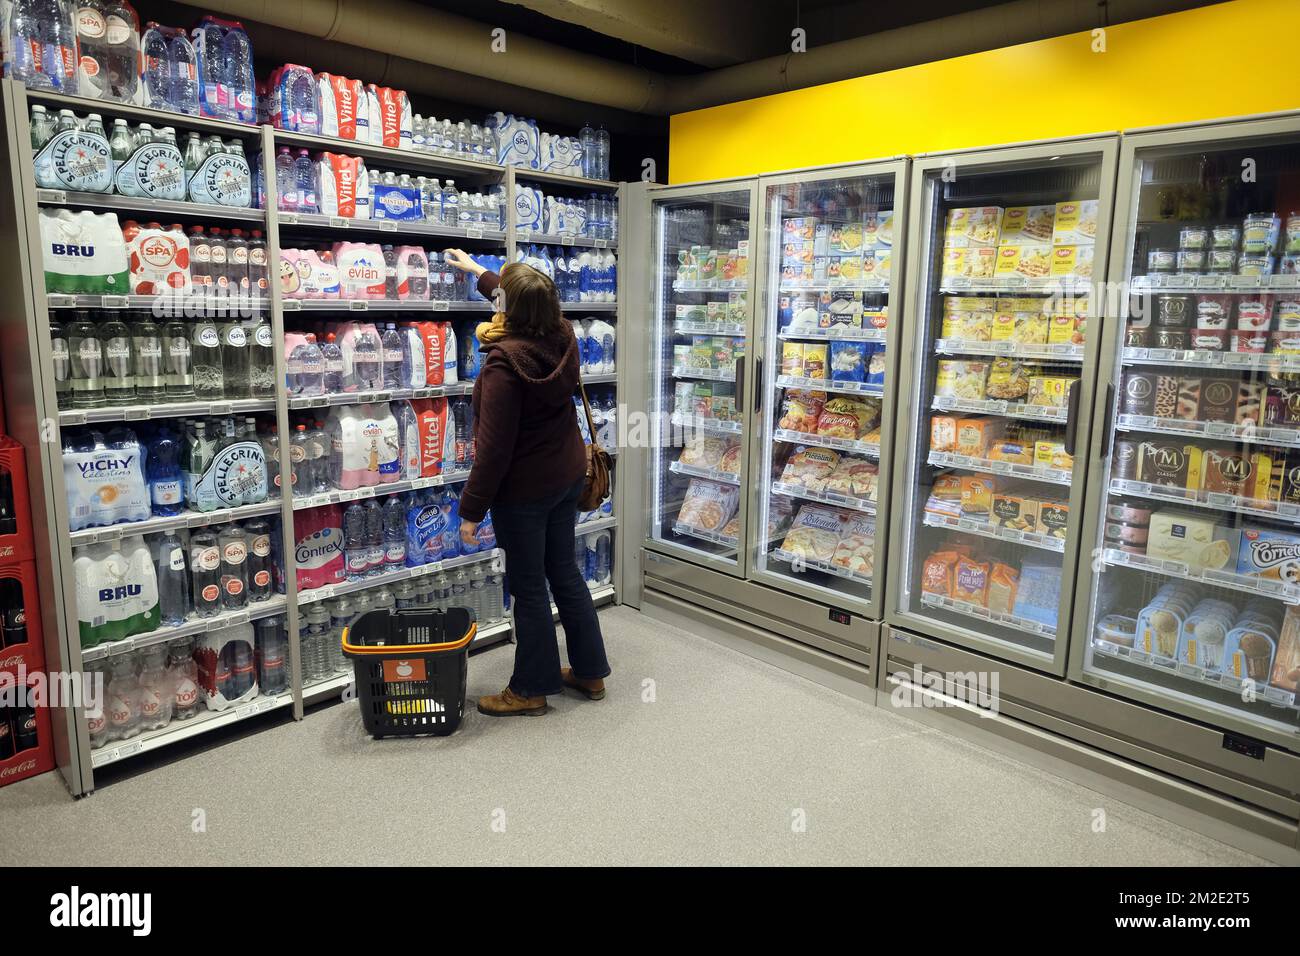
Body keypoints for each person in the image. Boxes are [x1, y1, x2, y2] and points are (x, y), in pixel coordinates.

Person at [443, 248, 611, 716]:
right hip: (566, 473)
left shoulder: (503, 366)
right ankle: (590, 671)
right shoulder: (562, 334)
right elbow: (522, 299)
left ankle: (530, 687)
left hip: (525, 489)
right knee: (565, 572)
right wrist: (479, 272)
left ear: (507, 311)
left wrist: (471, 511)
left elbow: (494, 451)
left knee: (530, 586)